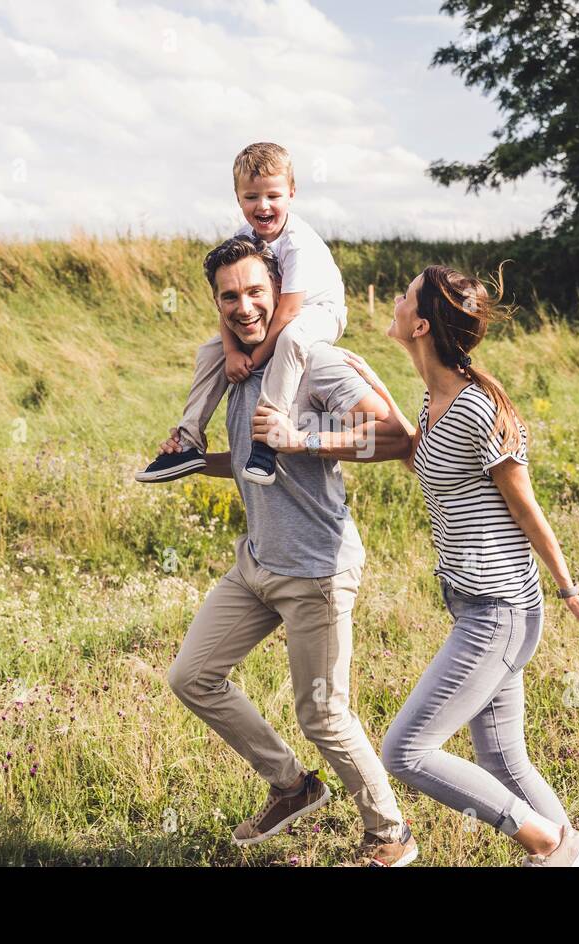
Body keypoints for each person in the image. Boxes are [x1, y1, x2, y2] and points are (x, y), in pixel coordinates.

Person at [282, 264, 579, 866]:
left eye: (405, 295)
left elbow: (526, 507)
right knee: (502, 758)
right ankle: (568, 855)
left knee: (406, 751)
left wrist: (572, 591)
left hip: (499, 612)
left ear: (420, 323)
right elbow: (423, 462)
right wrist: (359, 417)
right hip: (478, 605)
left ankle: (549, 844)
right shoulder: (435, 397)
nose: (395, 298)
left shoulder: (477, 409)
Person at [163, 236, 418, 866]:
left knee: (325, 716)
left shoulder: (316, 362)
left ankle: (391, 834)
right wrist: (196, 462)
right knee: (192, 677)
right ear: (216, 301)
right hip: (256, 563)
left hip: (316, 571)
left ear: (279, 295)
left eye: (255, 292)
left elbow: (392, 436)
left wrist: (302, 437)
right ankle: (292, 786)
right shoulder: (235, 368)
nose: (244, 306)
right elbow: (255, 462)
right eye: (230, 295)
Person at [136, 142, 347, 487]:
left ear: (292, 193)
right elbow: (225, 301)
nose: (263, 206)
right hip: (272, 309)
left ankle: (266, 437)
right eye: (251, 197)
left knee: (292, 338)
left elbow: (291, 310)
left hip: (319, 312)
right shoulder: (243, 239)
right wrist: (232, 352)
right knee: (210, 350)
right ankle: (188, 440)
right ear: (238, 198)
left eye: (273, 196)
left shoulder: (298, 244)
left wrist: (255, 356)